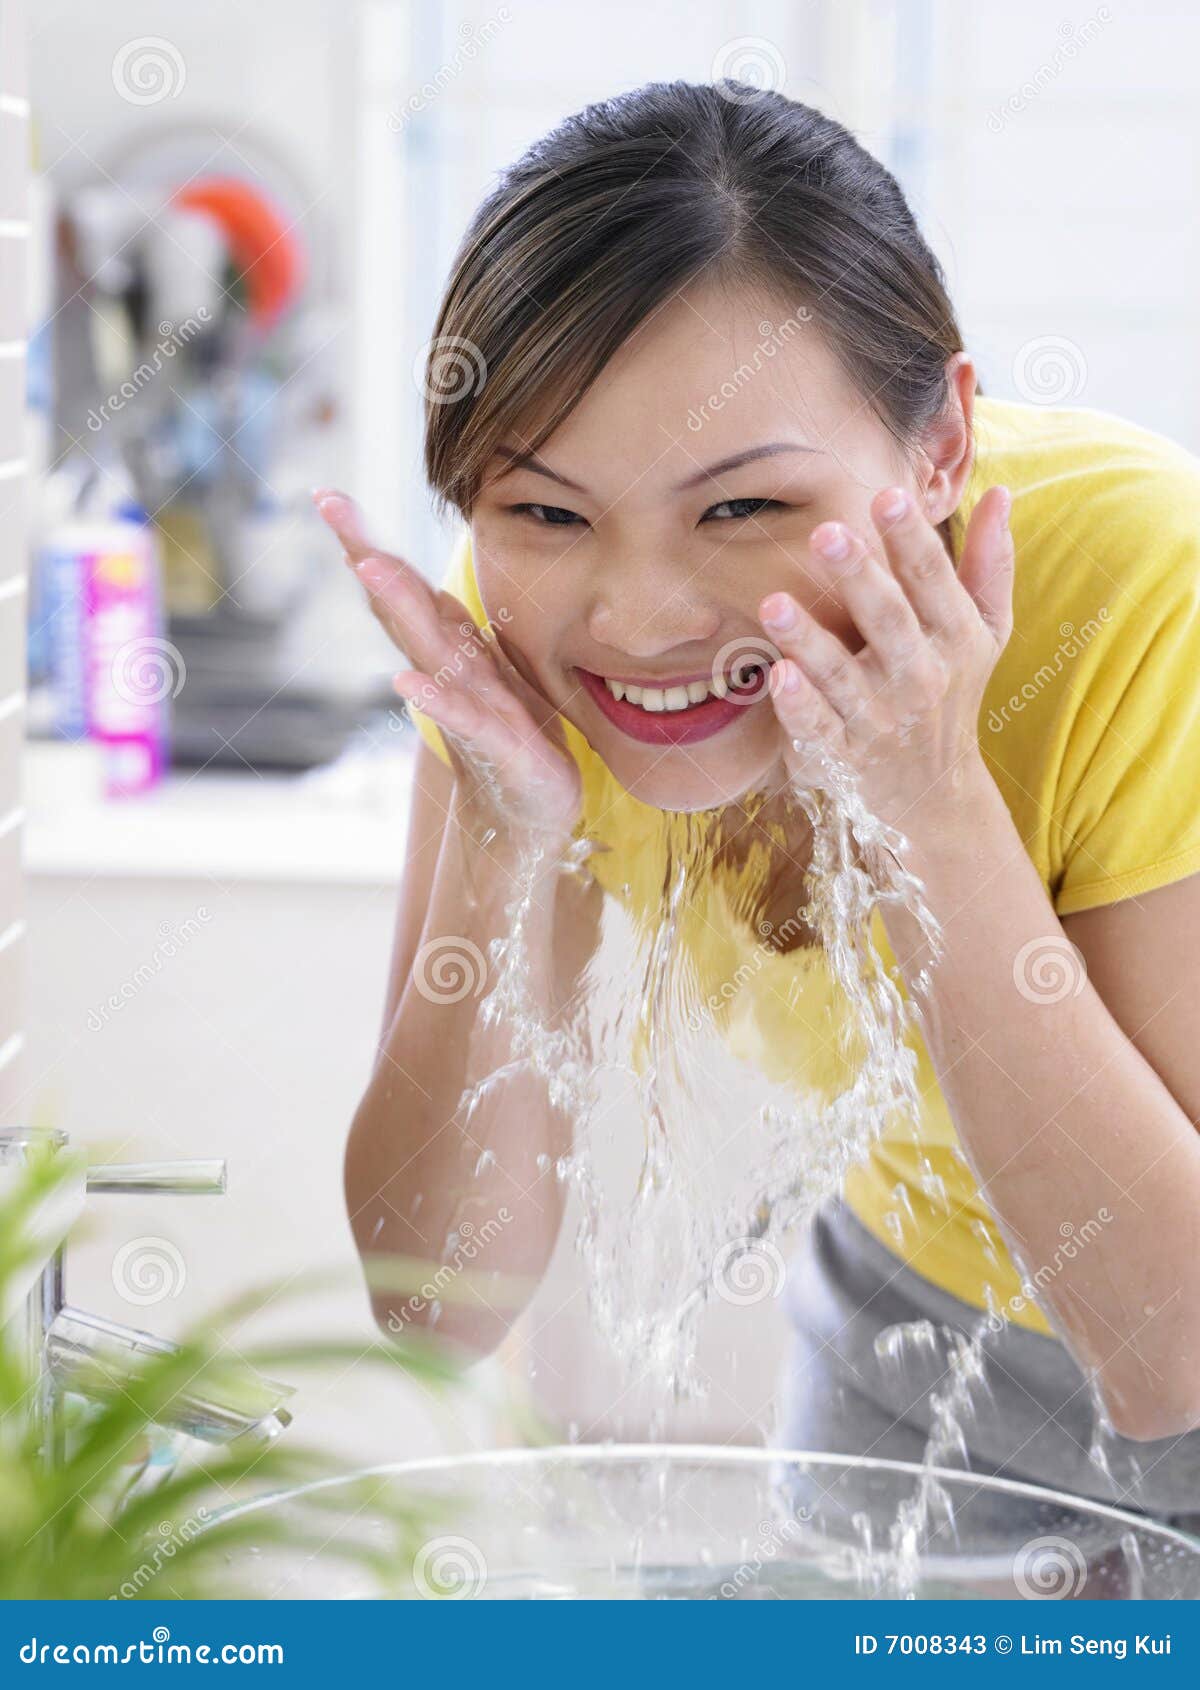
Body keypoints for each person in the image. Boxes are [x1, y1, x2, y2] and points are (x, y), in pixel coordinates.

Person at [316, 82, 1200, 1527]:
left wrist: (932, 805)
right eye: (544, 509)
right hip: (904, 1329)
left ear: (941, 451)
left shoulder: (1145, 595)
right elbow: (436, 1305)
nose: (641, 615)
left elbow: (1175, 1354)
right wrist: (504, 834)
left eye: (741, 510)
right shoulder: (532, 640)